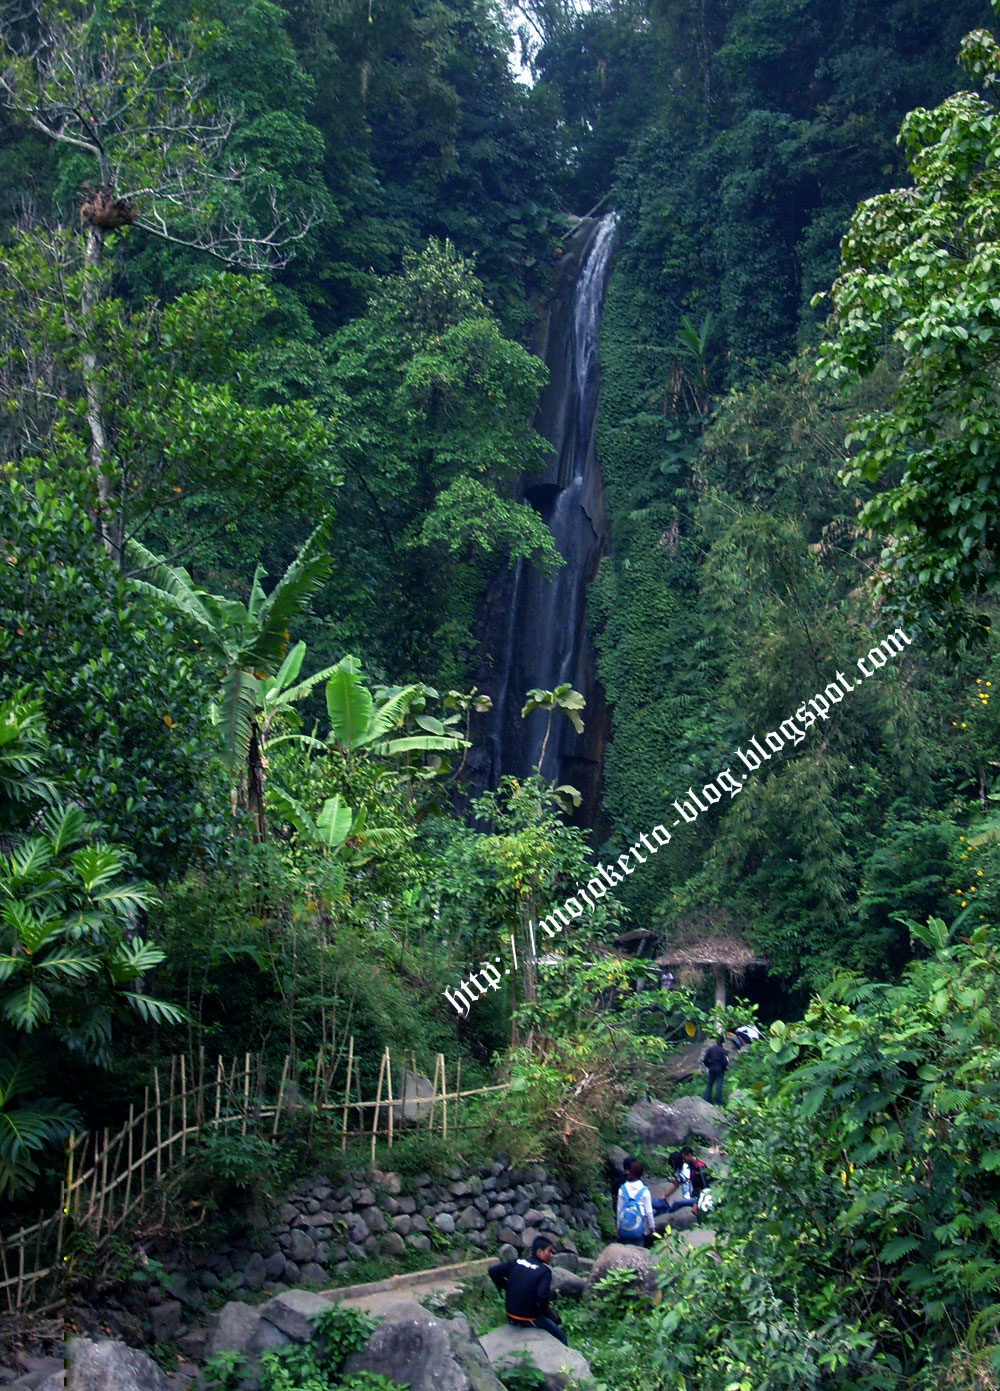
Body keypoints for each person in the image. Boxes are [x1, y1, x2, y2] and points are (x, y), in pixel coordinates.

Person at [489, 1234, 568, 1345]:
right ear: (539, 1252)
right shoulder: (544, 1271)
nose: (551, 1255)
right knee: (561, 1337)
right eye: (549, 1251)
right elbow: (541, 1296)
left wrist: (506, 1287)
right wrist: (546, 1312)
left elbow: (492, 1271)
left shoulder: (517, 1262)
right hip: (526, 1318)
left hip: (510, 1314)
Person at [616, 1159, 654, 1246]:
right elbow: (649, 1212)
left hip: (625, 1225)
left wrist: (618, 1228)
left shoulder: (622, 1189)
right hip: (640, 1226)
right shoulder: (644, 1191)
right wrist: (652, 1227)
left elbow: (619, 1210)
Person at [703, 1035, 729, 1105]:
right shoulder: (723, 1051)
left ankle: (706, 1100)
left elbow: (705, 1060)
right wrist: (724, 1068)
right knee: (719, 1085)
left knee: (709, 1084)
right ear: (722, 1042)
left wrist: (709, 1066)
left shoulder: (710, 1049)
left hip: (712, 1068)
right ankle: (717, 1102)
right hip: (720, 1069)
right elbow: (725, 1062)